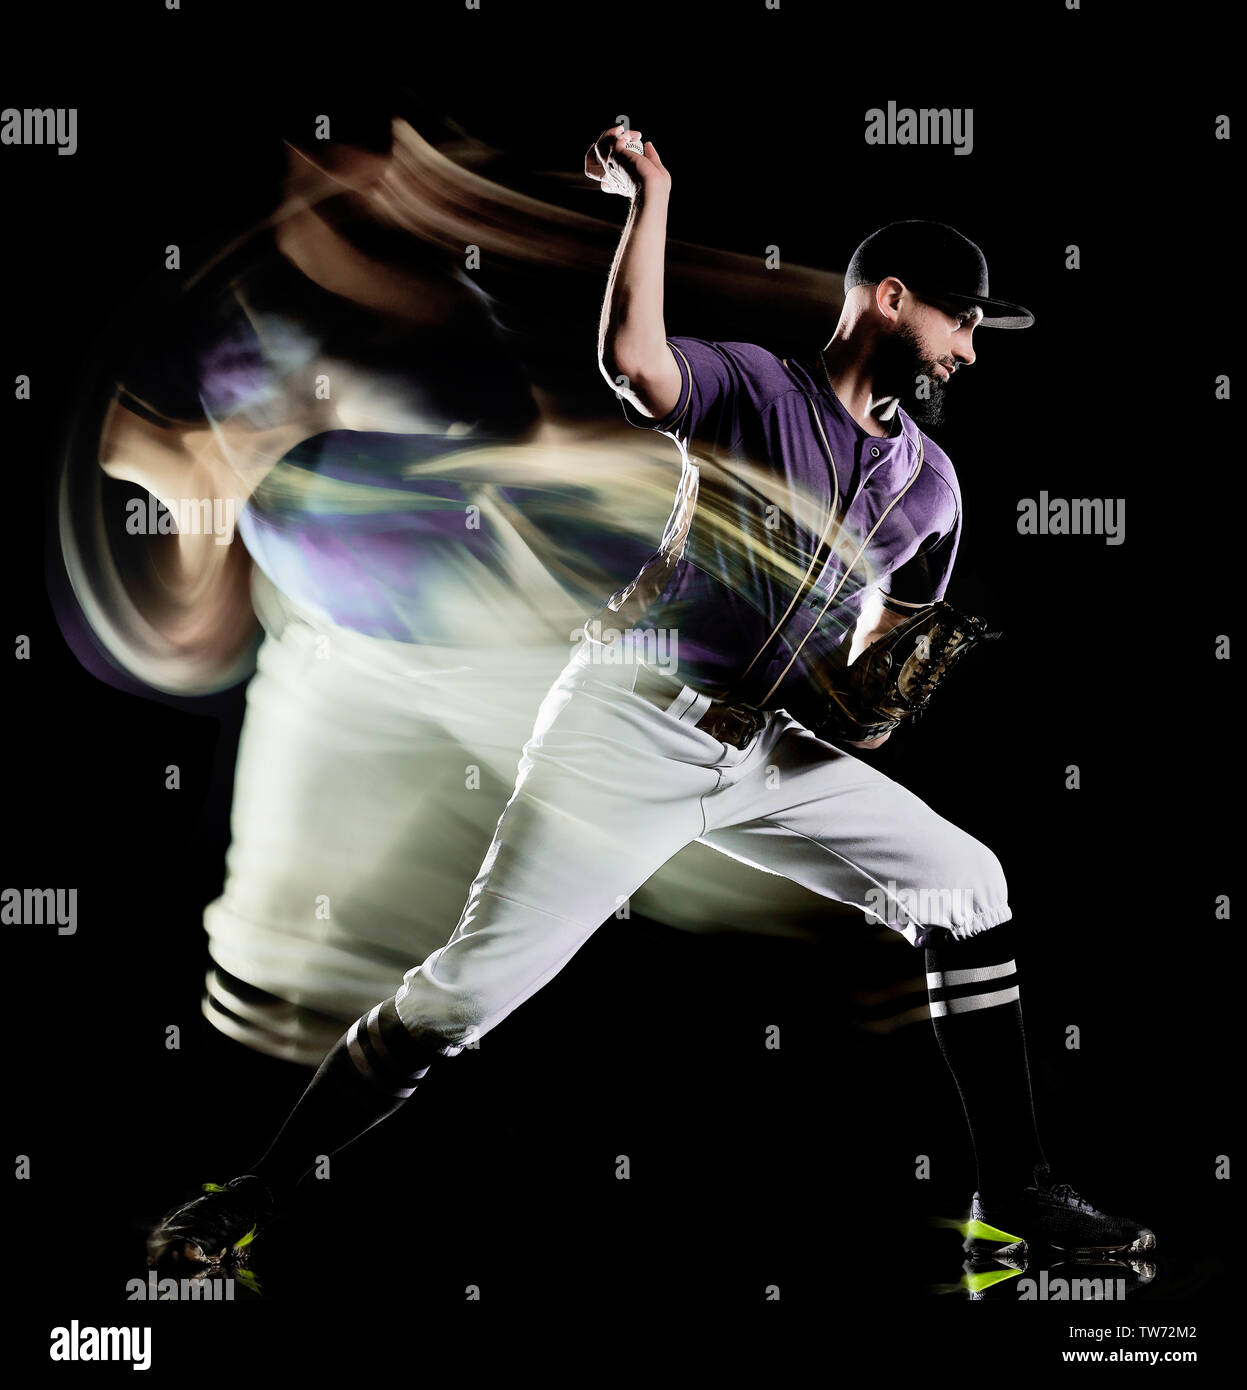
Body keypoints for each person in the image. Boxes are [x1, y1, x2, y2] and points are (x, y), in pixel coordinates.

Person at [148, 124, 1154, 1270]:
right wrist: (651, 198)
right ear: (888, 299)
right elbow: (635, 365)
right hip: (625, 723)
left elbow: (885, 649)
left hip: (764, 753)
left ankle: (1011, 1198)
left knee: (968, 884)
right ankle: (254, 1193)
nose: (970, 347)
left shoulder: (932, 485)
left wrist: (878, 696)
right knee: (461, 996)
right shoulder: (751, 387)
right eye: (961, 318)